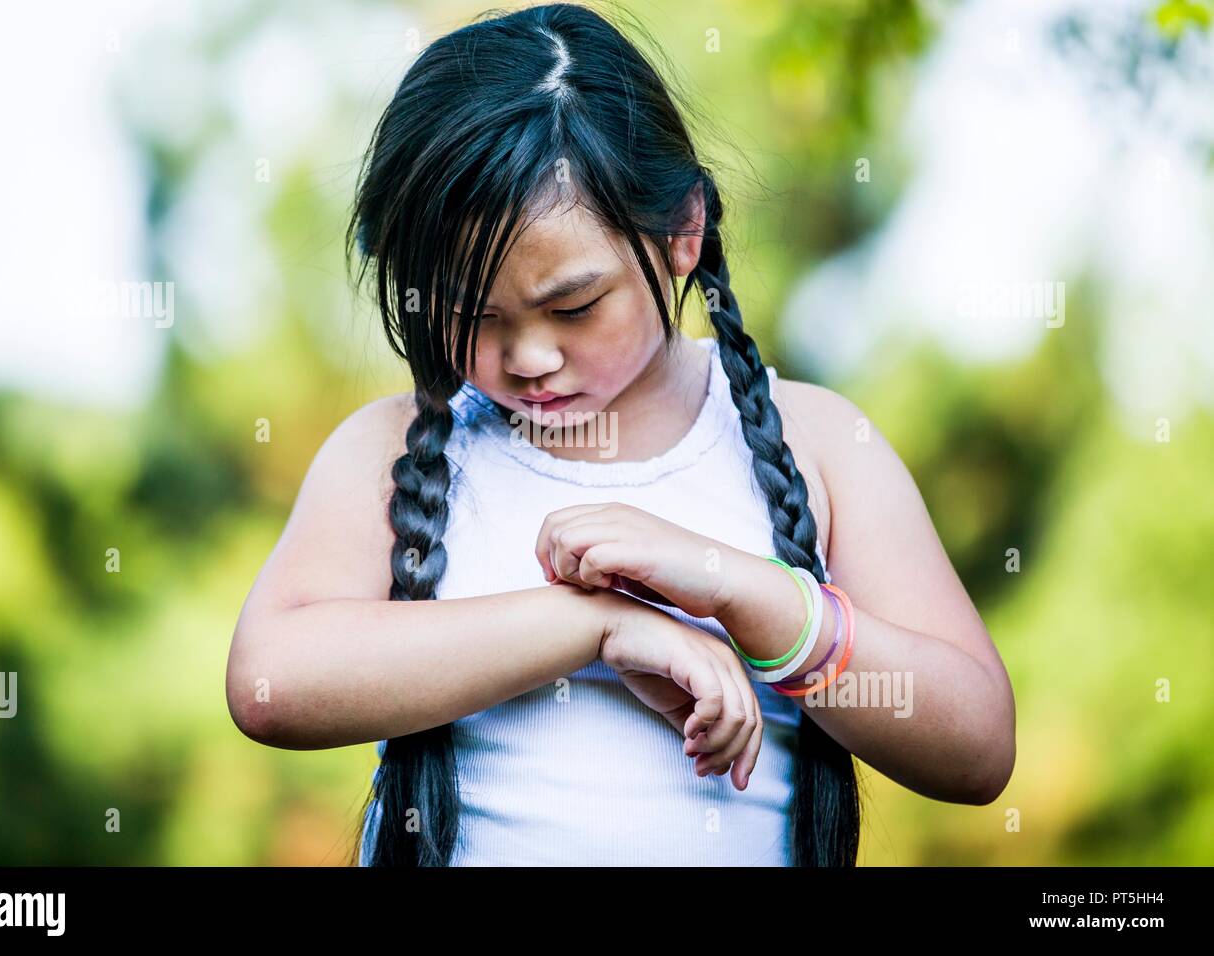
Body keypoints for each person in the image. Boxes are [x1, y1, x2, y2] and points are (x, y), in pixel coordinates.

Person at [225, 2, 1015, 866]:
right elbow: (270, 685)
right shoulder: (392, 448)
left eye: (574, 306)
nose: (528, 357)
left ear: (683, 233)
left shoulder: (818, 441)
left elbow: (975, 747)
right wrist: (593, 626)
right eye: (470, 314)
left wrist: (744, 596)